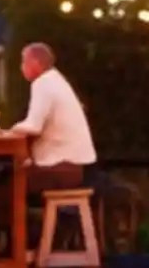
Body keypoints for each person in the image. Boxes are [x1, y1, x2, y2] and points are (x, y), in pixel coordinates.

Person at [9, 42, 97, 193]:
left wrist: (11, 130)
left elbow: (34, 127)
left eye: (24, 61)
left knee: (5, 187)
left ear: (35, 63)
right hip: (75, 167)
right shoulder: (56, 80)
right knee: (11, 180)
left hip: (59, 168)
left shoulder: (43, 83)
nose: (21, 67)